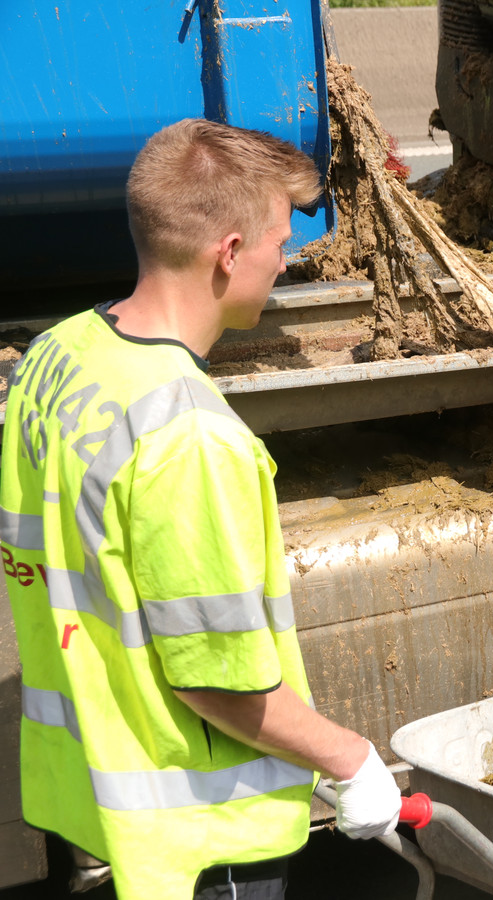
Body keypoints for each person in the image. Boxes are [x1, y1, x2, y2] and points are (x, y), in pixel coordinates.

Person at [0, 119, 403, 899]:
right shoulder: (188, 436)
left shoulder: (58, 354)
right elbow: (214, 680)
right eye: (279, 243)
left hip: (96, 795)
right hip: (199, 835)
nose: (283, 262)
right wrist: (349, 759)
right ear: (229, 252)